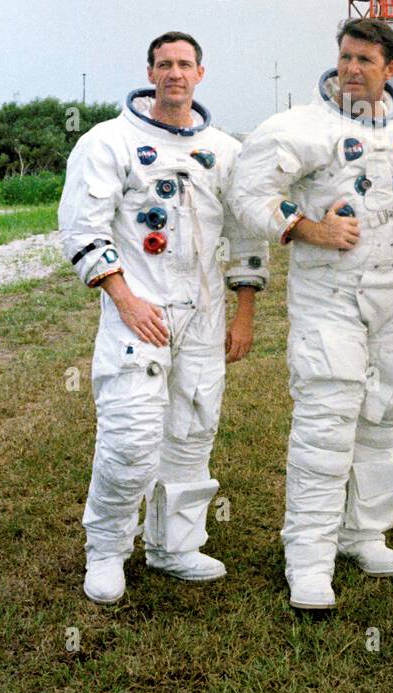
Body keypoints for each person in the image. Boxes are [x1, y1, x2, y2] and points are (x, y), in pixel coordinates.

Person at [231, 18, 393, 611]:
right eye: (346, 56)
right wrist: (308, 228)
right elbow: (247, 193)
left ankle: (365, 533)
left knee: (384, 414)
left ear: (390, 69)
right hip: (330, 296)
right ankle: (309, 560)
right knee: (327, 422)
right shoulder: (301, 128)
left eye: (365, 60)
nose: (352, 68)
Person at [59, 32, 268, 605]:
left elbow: (247, 235)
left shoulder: (224, 151)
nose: (175, 73)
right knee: (130, 439)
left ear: (200, 72)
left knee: (191, 434)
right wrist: (124, 299)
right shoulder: (110, 141)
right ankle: (106, 550)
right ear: (150, 73)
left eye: (184, 64)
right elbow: (82, 228)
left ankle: (174, 545)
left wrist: (244, 313)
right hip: (138, 312)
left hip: (203, 315)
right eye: (164, 64)